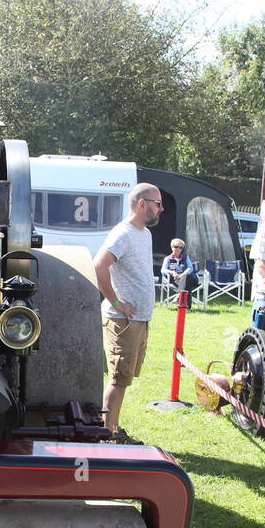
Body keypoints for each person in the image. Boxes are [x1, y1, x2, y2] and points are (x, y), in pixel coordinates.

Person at [93, 183, 163, 444]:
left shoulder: (143, 233)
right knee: (118, 378)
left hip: (139, 320)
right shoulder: (122, 234)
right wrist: (116, 301)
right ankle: (106, 433)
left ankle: (111, 428)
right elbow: (99, 264)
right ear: (142, 203)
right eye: (157, 203)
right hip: (122, 320)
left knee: (124, 378)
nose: (161, 209)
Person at [161, 238, 200, 307]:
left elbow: (190, 268)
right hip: (175, 280)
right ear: (172, 247)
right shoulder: (167, 259)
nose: (178, 249)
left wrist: (183, 274)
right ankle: (186, 306)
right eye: (176, 247)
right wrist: (172, 272)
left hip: (189, 278)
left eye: (180, 247)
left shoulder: (185, 257)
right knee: (187, 284)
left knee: (187, 276)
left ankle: (179, 294)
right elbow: (163, 270)